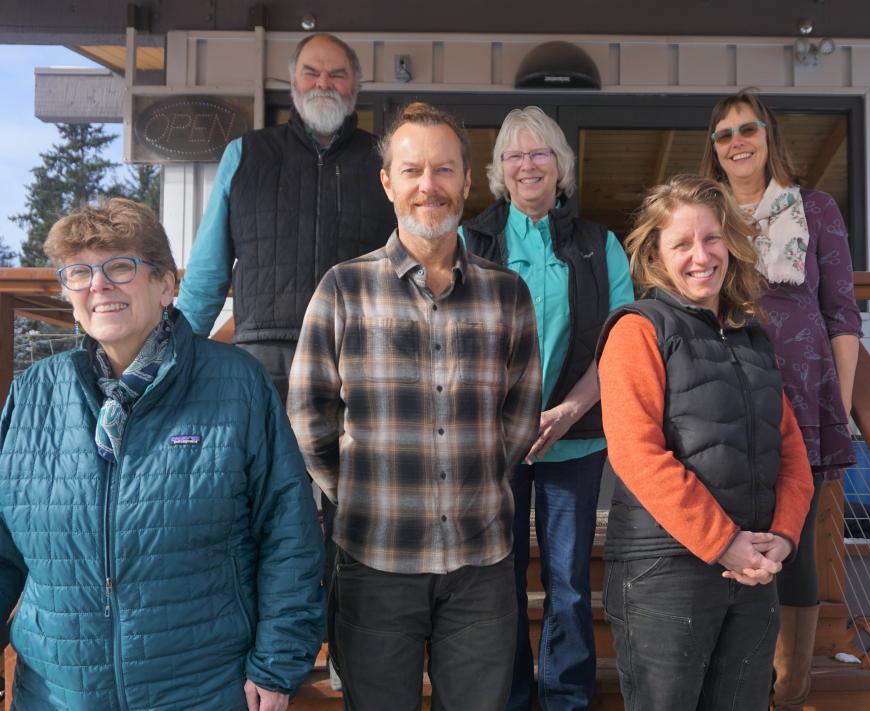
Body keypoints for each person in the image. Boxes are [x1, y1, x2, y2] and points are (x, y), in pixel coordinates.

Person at [0, 198, 324, 710]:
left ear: (167, 284)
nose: (98, 285)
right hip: (57, 695)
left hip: (202, 690)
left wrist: (278, 664)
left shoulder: (235, 384)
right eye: (79, 272)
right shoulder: (34, 393)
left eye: (121, 267)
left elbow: (288, 532)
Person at [287, 101, 542, 711]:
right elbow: (308, 415)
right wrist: (361, 494)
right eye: (412, 171)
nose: (429, 186)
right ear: (388, 183)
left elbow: (520, 416)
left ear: (468, 180)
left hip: (482, 562)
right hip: (375, 558)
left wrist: (470, 484)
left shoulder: (508, 295)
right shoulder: (343, 288)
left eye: (444, 170)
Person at [596, 174, 815, 710]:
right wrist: (725, 542)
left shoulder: (752, 338)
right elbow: (636, 453)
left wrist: (782, 539)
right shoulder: (637, 330)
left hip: (754, 571)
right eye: (682, 243)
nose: (701, 255)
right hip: (663, 573)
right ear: (655, 253)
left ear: (731, 243)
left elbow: (792, 458)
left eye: (711, 238)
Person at [459, 106, 634, 711]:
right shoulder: (469, 240)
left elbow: (620, 345)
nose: (527, 165)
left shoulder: (599, 244)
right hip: (493, 444)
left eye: (540, 153)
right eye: (514, 155)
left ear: (560, 166)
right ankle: (507, 696)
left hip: (576, 437)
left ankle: (565, 697)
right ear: (499, 170)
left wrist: (568, 410)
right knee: (497, 581)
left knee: (566, 583)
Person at [699, 89, 862, 709]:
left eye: (748, 129)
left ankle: (788, 687)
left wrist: (840, 404)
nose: (738, 142)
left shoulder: (814, 209)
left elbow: (842, 312)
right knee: (731, 525)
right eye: (724, 135)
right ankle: (733, 675)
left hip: (805, 389)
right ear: (713, 150)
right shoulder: (707, 214)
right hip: (725, 388)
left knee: (791, 534)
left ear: (768, 136)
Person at [177, 32, 395, 396]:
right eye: (311, 73)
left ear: (355, 85)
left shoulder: (385, 160)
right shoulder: (245, 154)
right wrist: (176, 354)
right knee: (263, 456)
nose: (323, 83)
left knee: (351, 457)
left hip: (362, 355)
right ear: (293, 81)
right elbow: (207, 272)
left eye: (337, 74)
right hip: (264, 356)